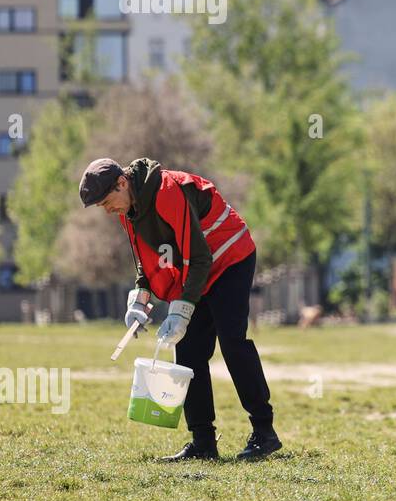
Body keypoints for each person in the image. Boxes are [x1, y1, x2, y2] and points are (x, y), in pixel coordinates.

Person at [79, 157, 278, 462]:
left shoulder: (168, 191)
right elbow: (147, 260)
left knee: (232, 342)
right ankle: (203, 442)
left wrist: (180, 310)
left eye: (107, 201)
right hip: (199, 269)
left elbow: (199, 257)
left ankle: (264, 432)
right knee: (188, 351)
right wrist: (139, 300)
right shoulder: (128, 210)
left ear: (122, 182)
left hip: (229, 258)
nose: (107, 209)